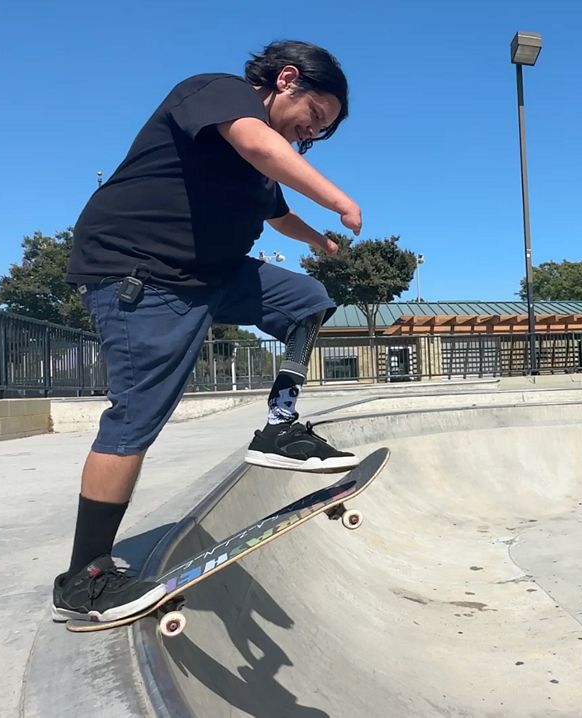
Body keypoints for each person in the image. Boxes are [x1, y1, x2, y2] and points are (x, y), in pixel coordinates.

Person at [51, 40, 362, 623]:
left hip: (214, 275)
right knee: (137, 416)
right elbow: (258, 143)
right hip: (143, 274)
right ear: (286, 80)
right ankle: (84, 577)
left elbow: (276, 210)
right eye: (313, 118)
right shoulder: (217, 93)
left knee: (307, 300)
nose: (308, 137)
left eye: (319, 135)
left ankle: (279, 426)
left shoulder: (257, 165)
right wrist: (338, 198)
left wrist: (317, 238)